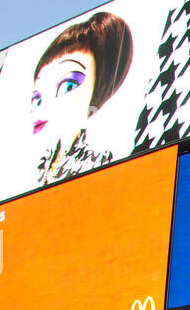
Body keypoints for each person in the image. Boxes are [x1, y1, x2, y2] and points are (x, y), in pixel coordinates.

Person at [31, 12, 134, 186]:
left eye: (67, 85)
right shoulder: (41, 165)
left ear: (99, 89)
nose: (45, 106)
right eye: (38, 98)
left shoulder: (97, 163)